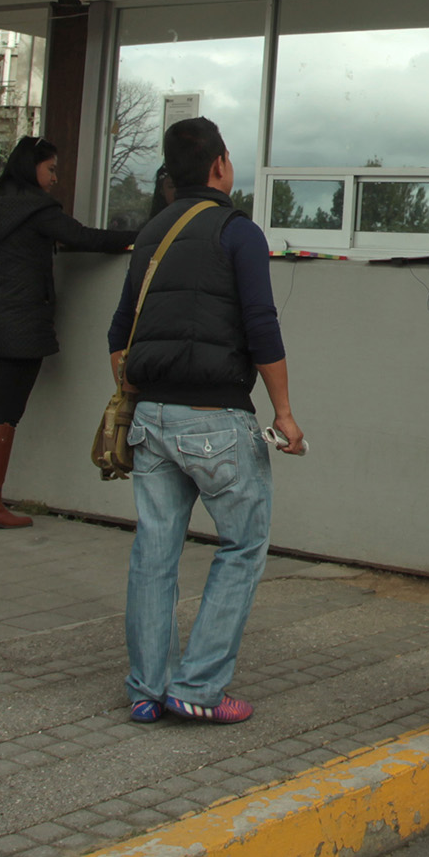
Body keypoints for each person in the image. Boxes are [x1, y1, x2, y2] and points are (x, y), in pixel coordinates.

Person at [111, 117, 304, 726]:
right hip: (216, 419)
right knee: (243, 545)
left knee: (154, 551)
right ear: (220, 165)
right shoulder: (237, 231)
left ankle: (147, 689)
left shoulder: (152, 233)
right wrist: (284, 413)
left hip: (151, 417)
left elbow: (119, 332)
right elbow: (261, 325)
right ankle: (198, 687)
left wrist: (133, 395)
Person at [0, 135, 135, 530]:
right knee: (6, 413)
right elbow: (86, 238)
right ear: (31, 167)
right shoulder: (36, 210)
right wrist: (141, 235)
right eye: (51, 169)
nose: (54, 178)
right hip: (22, 325)